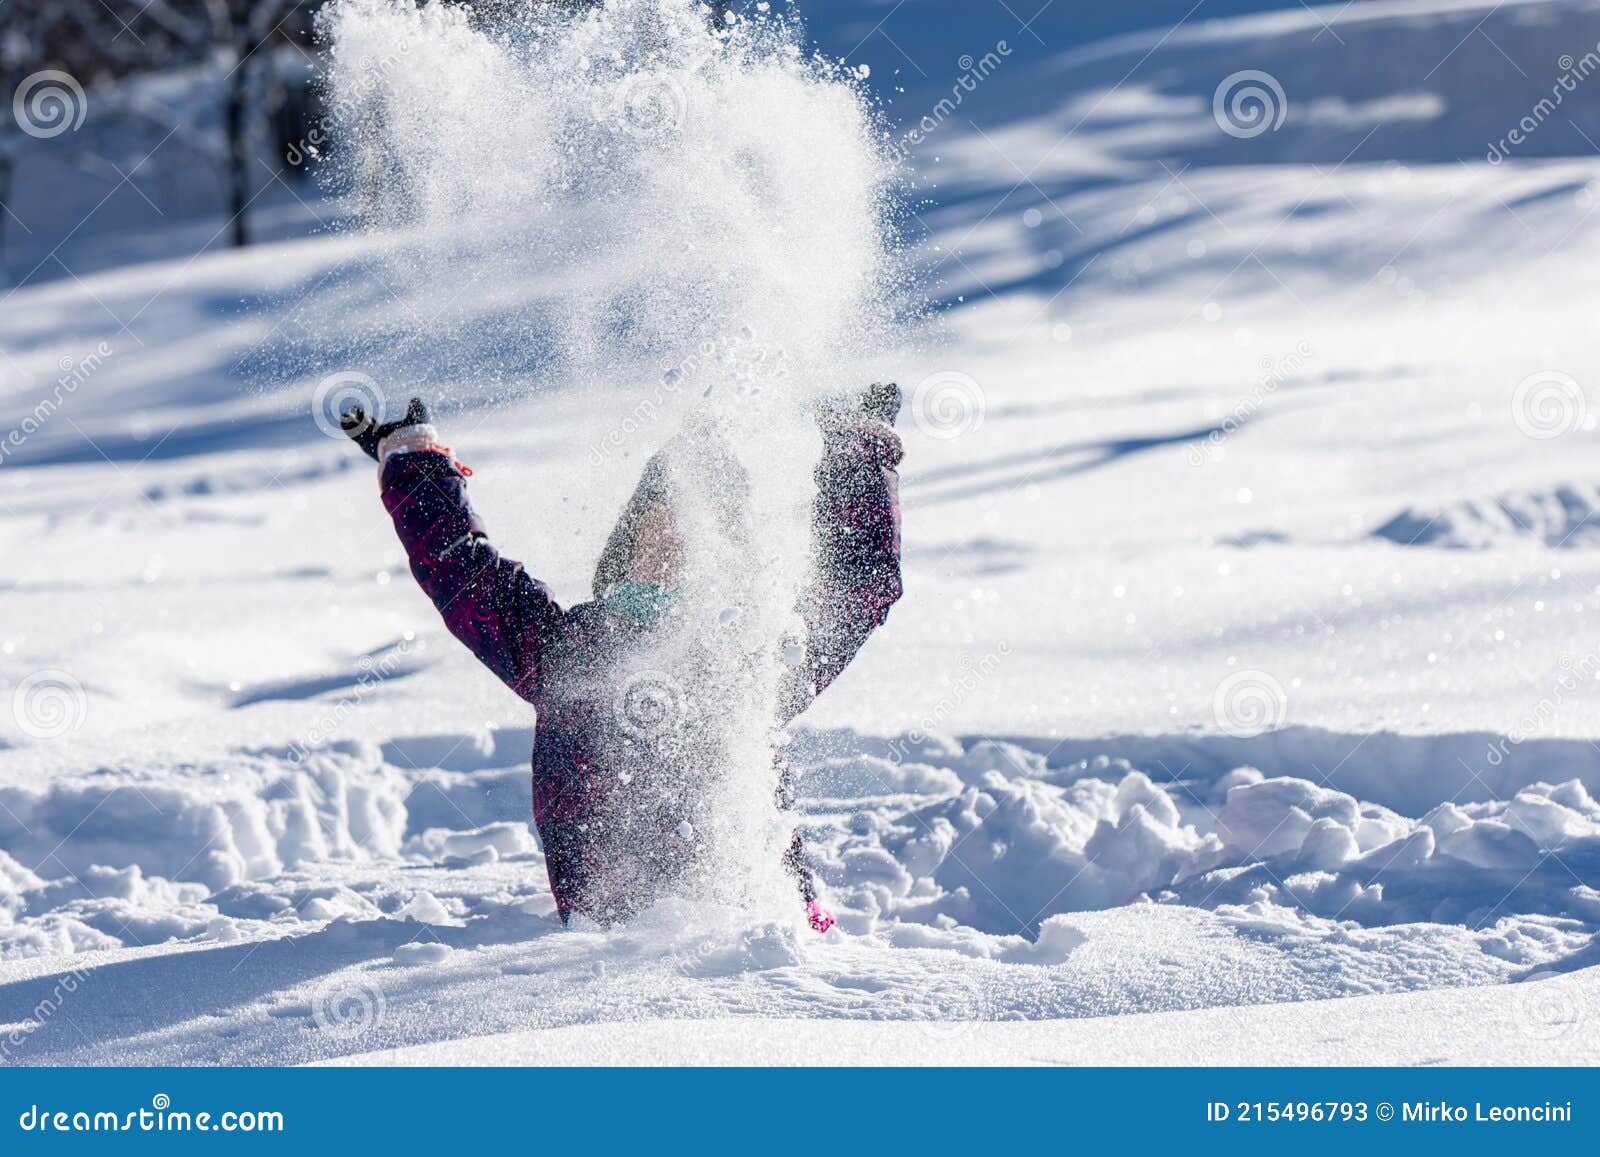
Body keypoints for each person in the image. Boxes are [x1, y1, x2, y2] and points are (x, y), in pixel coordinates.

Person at [339, 383, 903, 930]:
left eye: (698, 531)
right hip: (612, 939)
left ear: (727, 556)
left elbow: (854, 591)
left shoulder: (750, 655)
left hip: (757, 938)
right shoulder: (570, 650)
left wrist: (858, 457)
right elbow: (465, 576)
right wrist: (415, 467)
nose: (675, 548)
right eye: (660, 526)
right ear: (627, 542)